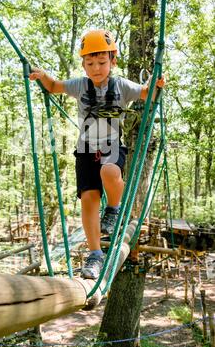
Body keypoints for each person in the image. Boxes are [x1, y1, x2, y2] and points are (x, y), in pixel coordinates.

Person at [30, 29, 165, 279]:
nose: (96, 68)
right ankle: (94, 255)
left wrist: (155, 85)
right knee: (89, 199)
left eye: (102, 62)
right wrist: (42, 76)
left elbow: (147, 95)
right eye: (90, 63)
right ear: (83, 64)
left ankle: (114, 207)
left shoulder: (121, 86)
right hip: (85, 151)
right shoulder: (79, 85)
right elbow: (54, 87)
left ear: (112, 61)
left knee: (110, 171)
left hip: (112, 146)